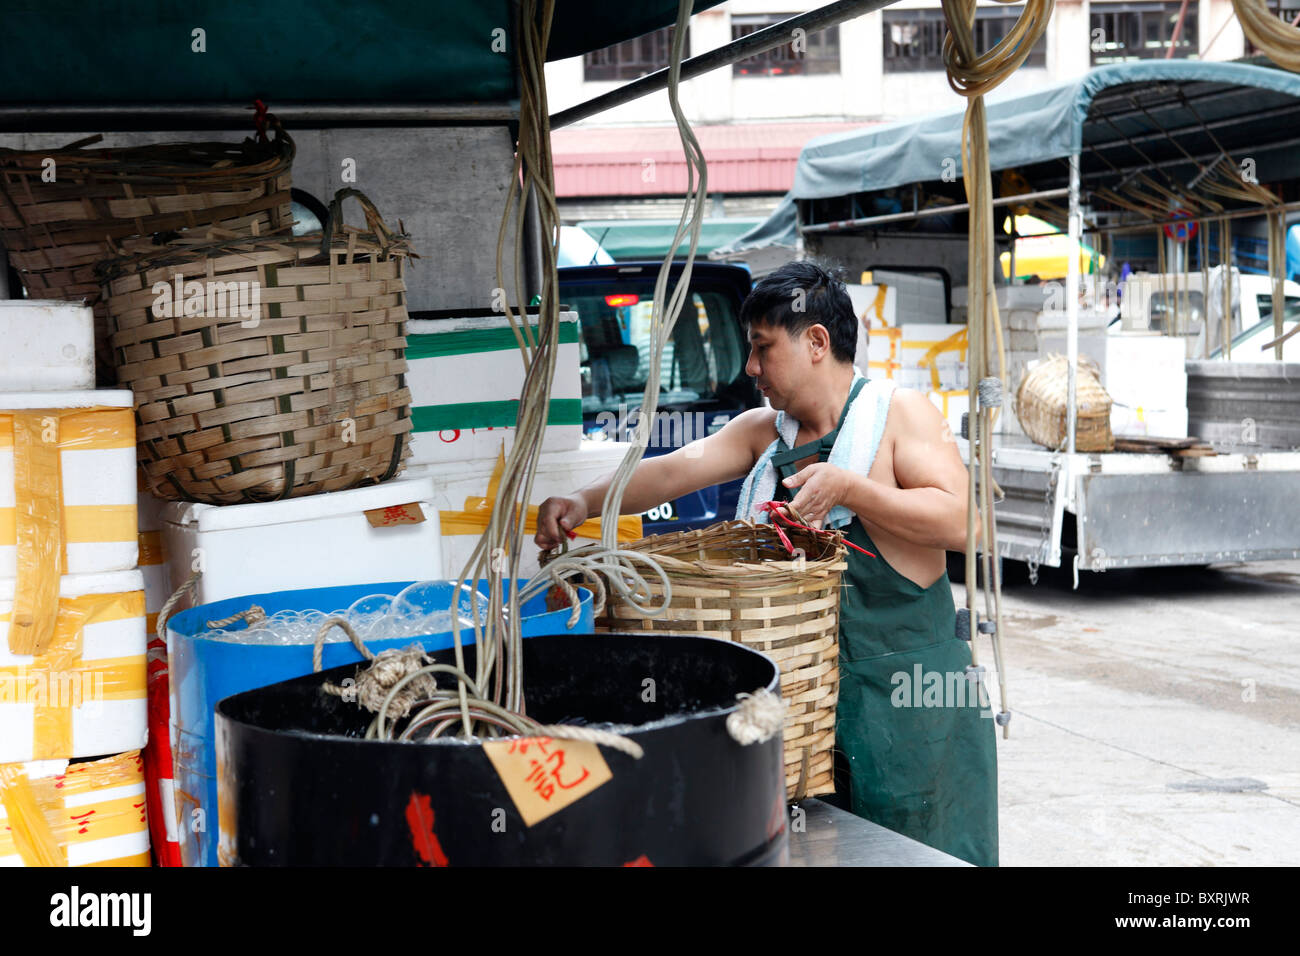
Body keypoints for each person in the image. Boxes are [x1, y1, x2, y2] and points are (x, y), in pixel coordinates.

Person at [535, 260, 998, 866]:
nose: (750, 368)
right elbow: (675, 469)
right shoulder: (766, 434)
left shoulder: (895, 415)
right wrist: (585, 502)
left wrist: (850, 489)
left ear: (815, 342)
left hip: (912, 711)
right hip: (810, 708)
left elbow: (967, 524)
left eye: (761, 348)